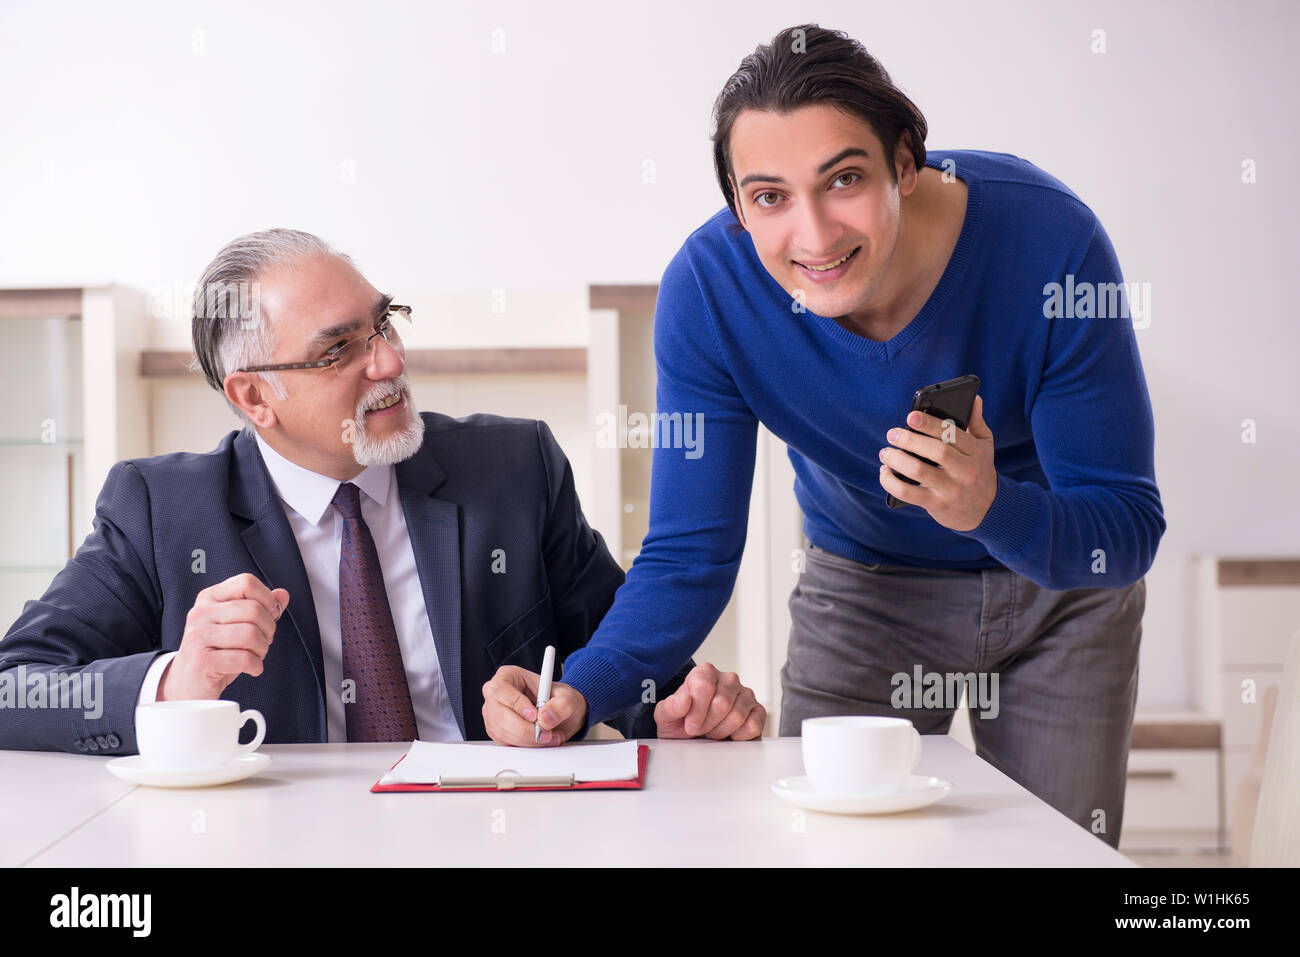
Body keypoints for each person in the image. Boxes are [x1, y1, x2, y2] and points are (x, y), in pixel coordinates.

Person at [536, 25, 1165, 847]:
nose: (817, 235)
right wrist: (576, 693)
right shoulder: (712, 293)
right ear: (736, 206)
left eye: (844, 180)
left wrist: (990, 506)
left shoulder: (1052, 243)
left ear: (905, 163)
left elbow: (1124, 531)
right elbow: (688, 557)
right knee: (839, 851)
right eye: (769, 197)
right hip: (864, 594)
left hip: (1062, 596)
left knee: (1052, 853)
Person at [0, 229, 765, 753]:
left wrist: (686, 706)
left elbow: (631, 666)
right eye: (339, 348)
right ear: (255, 398)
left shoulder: (512, 466)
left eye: (383, 324)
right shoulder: (160, 509)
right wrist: (176, 680)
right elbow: (13, 689)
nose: (388, 362)